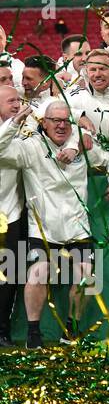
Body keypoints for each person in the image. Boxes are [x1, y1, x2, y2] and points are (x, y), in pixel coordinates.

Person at [0, 101, 109, 348]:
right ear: (44, 123)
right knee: (38, 272)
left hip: (77, 227)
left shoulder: (83, 146)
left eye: (66, 120)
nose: (61, 125)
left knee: (88, 276)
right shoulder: (30, 148)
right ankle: (33, 333)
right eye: (55, 121)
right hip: (43, 228)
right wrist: (14, 124)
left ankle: (71, 329)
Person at [67, 48, 109, 183]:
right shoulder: (77, 93)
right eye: (93, 70)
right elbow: (47, 109)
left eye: (103, 69)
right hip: (87, 171)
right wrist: (79, 116)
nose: (97, 74)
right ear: (87, 72)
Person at [0, 85, 24, 346]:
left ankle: (2, 329)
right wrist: (13, 125)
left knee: (10, 277)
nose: (17, 105)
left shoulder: (23, 130)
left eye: (18, 100)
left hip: (14, 214)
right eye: (10, 101)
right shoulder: (10, 130)